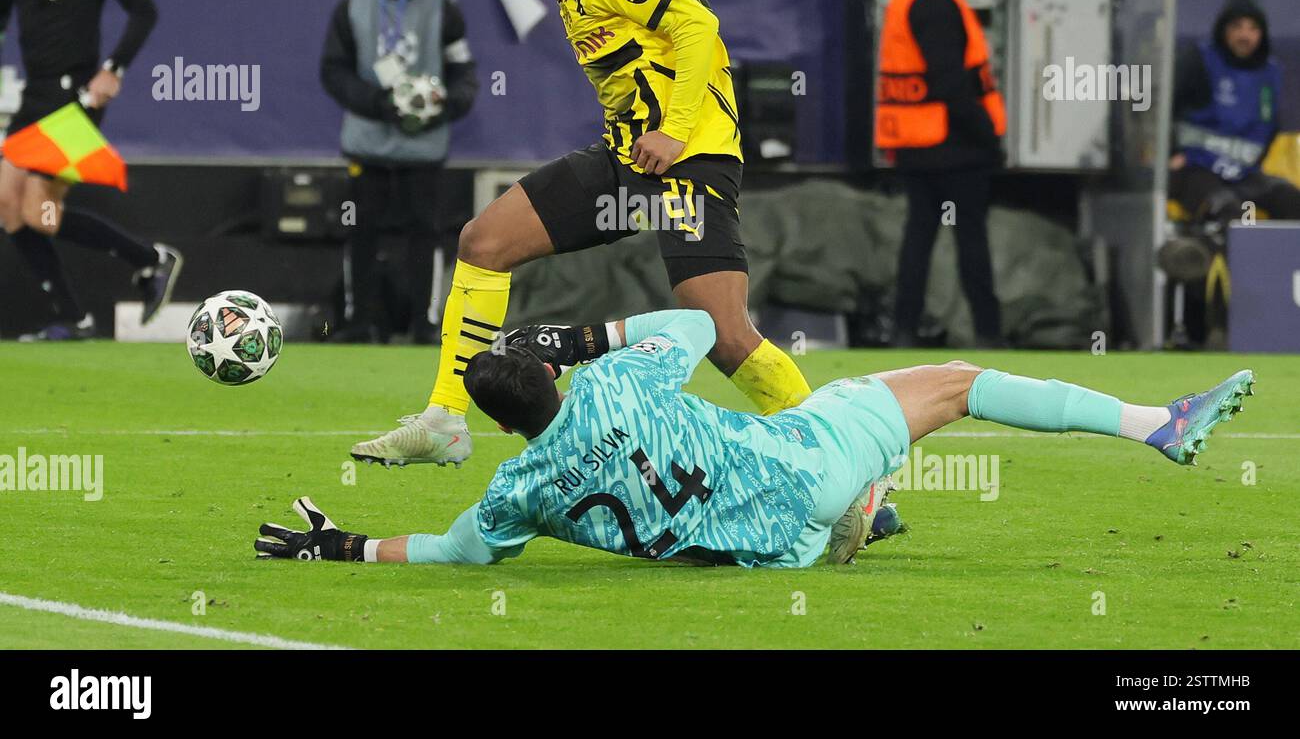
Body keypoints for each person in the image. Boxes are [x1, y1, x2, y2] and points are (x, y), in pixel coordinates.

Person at [347, 0, 812, 468]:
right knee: (483, 242)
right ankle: (446, 417)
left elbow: (698, 27)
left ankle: (847, 462)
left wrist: (673, 132)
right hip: (632, 161)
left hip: (688, 160)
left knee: (724, 335)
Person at [254, 308, 1255, 567]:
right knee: (958, 382)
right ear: (551, 373)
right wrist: (588, 334)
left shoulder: (518, 489)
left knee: (807, 465)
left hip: (744, 546)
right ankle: (1156, 422)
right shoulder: (614, 378)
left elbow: (457, 549)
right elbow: (697, 328)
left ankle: (855, 512)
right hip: (796, 468)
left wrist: (340, 542)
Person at [0, 0, 175, 341]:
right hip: (33, 96)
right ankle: (76, 316)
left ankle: (150, 258)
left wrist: (112, 69)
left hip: (76, 100)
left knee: (41, 214)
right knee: (8, 206)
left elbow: (144, 9)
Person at [319, 0, 478, 344]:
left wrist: (443, 107)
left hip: (423, 146)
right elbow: (333, 71)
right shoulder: (353, 4)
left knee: (425, 233)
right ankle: (358, 322)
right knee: (362, 232)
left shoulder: (443, 6)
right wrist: (378, 103)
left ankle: (424, 325)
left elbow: (463, 74)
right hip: (367, 142)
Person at [876, 0, 1005, 348]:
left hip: (917, 143)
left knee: (919, 240)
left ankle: (903, 330)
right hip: (953, 144)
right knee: (971, 242)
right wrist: (987, 134)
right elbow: (951, 83)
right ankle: (988, 332)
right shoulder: (936, 1)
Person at [1162, 0, 1300, 276]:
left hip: (1244, 175)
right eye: (1237, 26)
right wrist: (1170, 154)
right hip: (1195, 172)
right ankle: (1238, 299)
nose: (1245, 35)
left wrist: (1249, 165)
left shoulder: (1270, 73)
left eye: (1252, 28)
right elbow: (1162, 108)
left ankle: (1285, 286)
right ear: (1223, 30)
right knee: (1230, 213)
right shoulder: (1198, 61)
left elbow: (1268, 128)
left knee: (1290, 198)